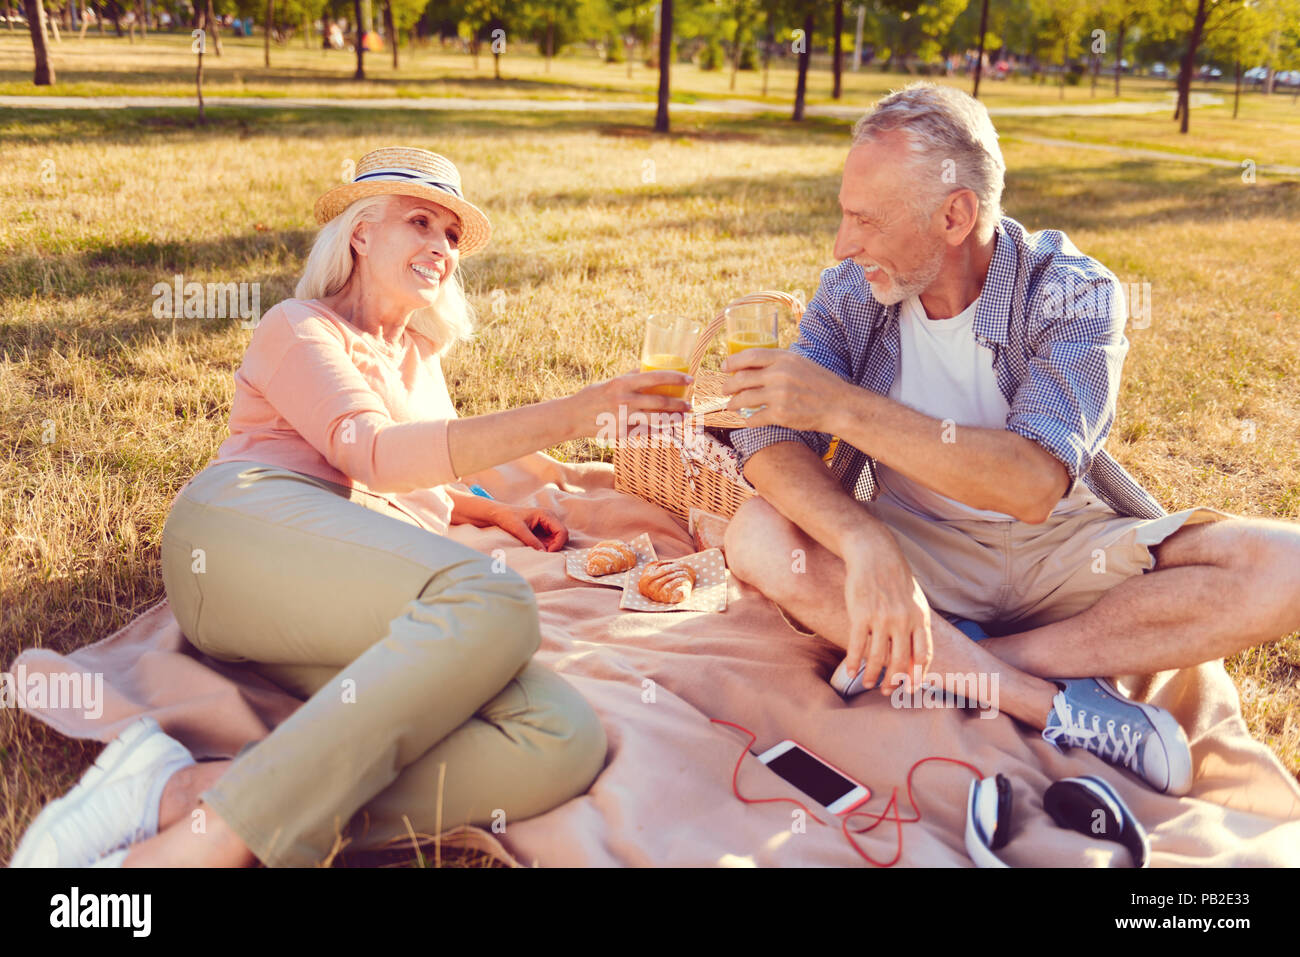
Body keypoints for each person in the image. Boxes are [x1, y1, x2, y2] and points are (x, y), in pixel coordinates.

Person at [13, 146, 693, 868]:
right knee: (492, 599)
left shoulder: (419, 361)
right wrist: (581, 410)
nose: (441, 245)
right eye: (421, 222)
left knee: (562, 735)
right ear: (361, 233)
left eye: (453, 235)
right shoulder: (298, 326)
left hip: (332, 589)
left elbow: (414, 474)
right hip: (240, 534)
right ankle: (191, 854)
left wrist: (487, 511)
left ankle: (182, 792)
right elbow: (375, 452)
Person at [721, 83, 1300, 797]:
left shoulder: (1074, 291)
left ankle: (957, 660)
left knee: (1288, 564)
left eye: (865, 221)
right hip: (919, 545)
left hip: (1064, 551)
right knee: (754, 531)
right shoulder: (850, 291)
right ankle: (1041, 700)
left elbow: (1032, 487)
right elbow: (769, 443)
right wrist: (865, 542)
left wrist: (842, 407)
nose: (844, 244)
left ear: (954, 215)